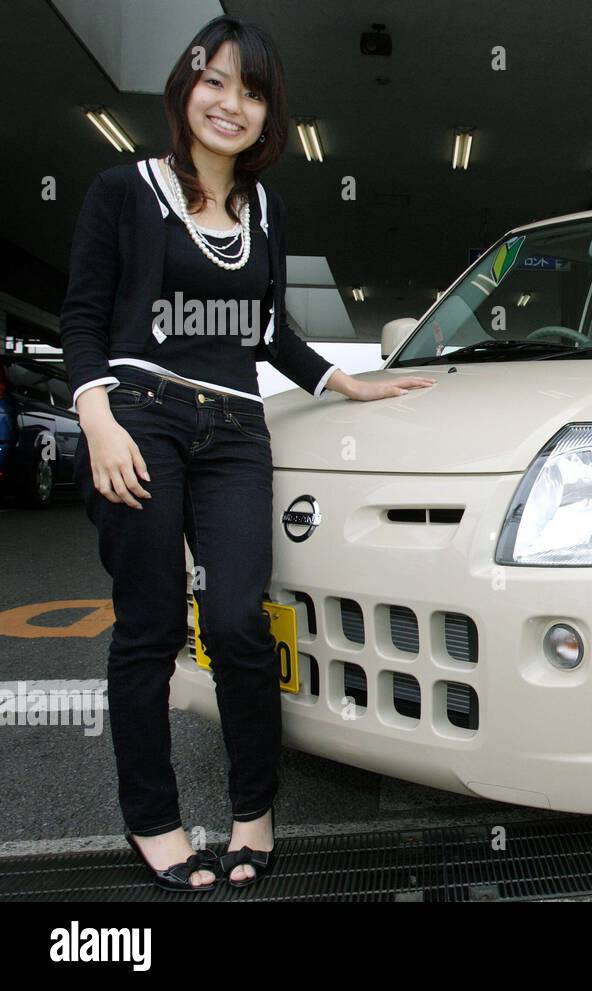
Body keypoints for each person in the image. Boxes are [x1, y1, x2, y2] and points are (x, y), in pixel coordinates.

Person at [60, 14, 434, 890]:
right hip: (139, 417)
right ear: (184, 90)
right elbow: (82, 317)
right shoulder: (123, 190)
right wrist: (98, 414)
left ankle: (252, 810)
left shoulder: (262, 207)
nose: (232, 102)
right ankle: (152, 821)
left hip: (234, 430)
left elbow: (267, 329)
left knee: (236, 622)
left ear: (270, 116)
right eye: (215, 81)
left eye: (253, 90)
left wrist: (351, 382)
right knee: (149, 627)